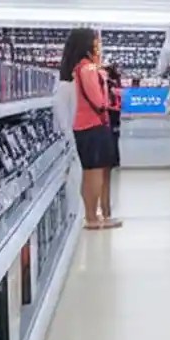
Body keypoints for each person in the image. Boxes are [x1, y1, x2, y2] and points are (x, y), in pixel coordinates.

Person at [59, 28, 121, 230]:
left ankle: (94, 215)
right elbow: (99, 100)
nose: (98, 47)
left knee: (92, 171)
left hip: (87, 126)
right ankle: (92, 217)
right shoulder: (87, 69)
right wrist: (103, 81)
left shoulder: (79, 69)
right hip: (93, 125)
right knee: (94, 172)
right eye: (95, 43)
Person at [104, 63, 123, 218]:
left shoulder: (110, 84)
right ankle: (115, 160)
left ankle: (113, 160)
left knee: (113, 138)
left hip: (111, 114)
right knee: (115, 137)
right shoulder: (115, 83)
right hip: (115, 114)